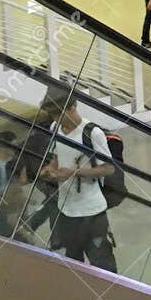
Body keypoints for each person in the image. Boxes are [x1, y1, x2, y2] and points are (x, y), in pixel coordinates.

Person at [42, 103, 118, 272]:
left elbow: (108, 168)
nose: (56, 119)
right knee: (73, 263)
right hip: (66, 211)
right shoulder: (56, 127)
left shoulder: (92, 133)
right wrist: (50, 169)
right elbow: (57, 155)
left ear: (72, 108)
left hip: (92, 213)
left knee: (102, 263)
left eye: (58, 114)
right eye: (52, 115)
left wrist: (74, 173)